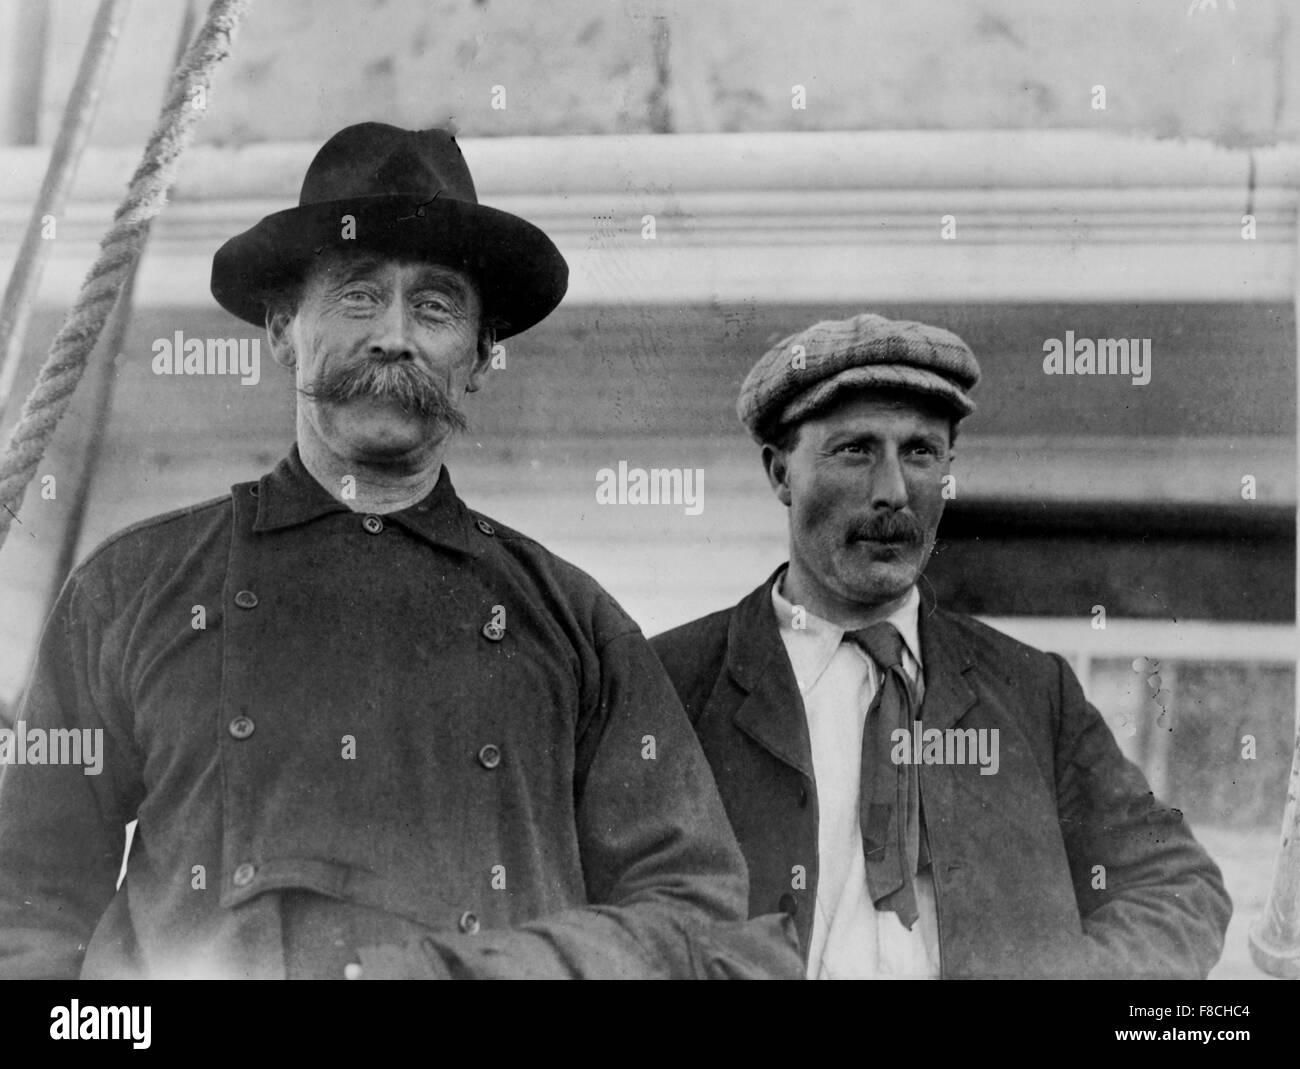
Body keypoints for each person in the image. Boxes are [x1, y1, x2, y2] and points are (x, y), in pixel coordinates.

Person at [0, 122, 799, 980]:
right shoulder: (132, 587)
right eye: (355, 295)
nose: (394, 334)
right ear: (281, 327)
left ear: (483, 355)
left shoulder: (576, 623)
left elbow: (694, 909)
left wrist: (478, 973)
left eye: (435, 306)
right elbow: (25, 903)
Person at [650, 312, 1232, 979]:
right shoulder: (670, 684)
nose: (893, 491)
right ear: (781, 472)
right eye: (856, 449)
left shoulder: (1033, 692)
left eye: (920, 451)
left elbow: (1177, 881)